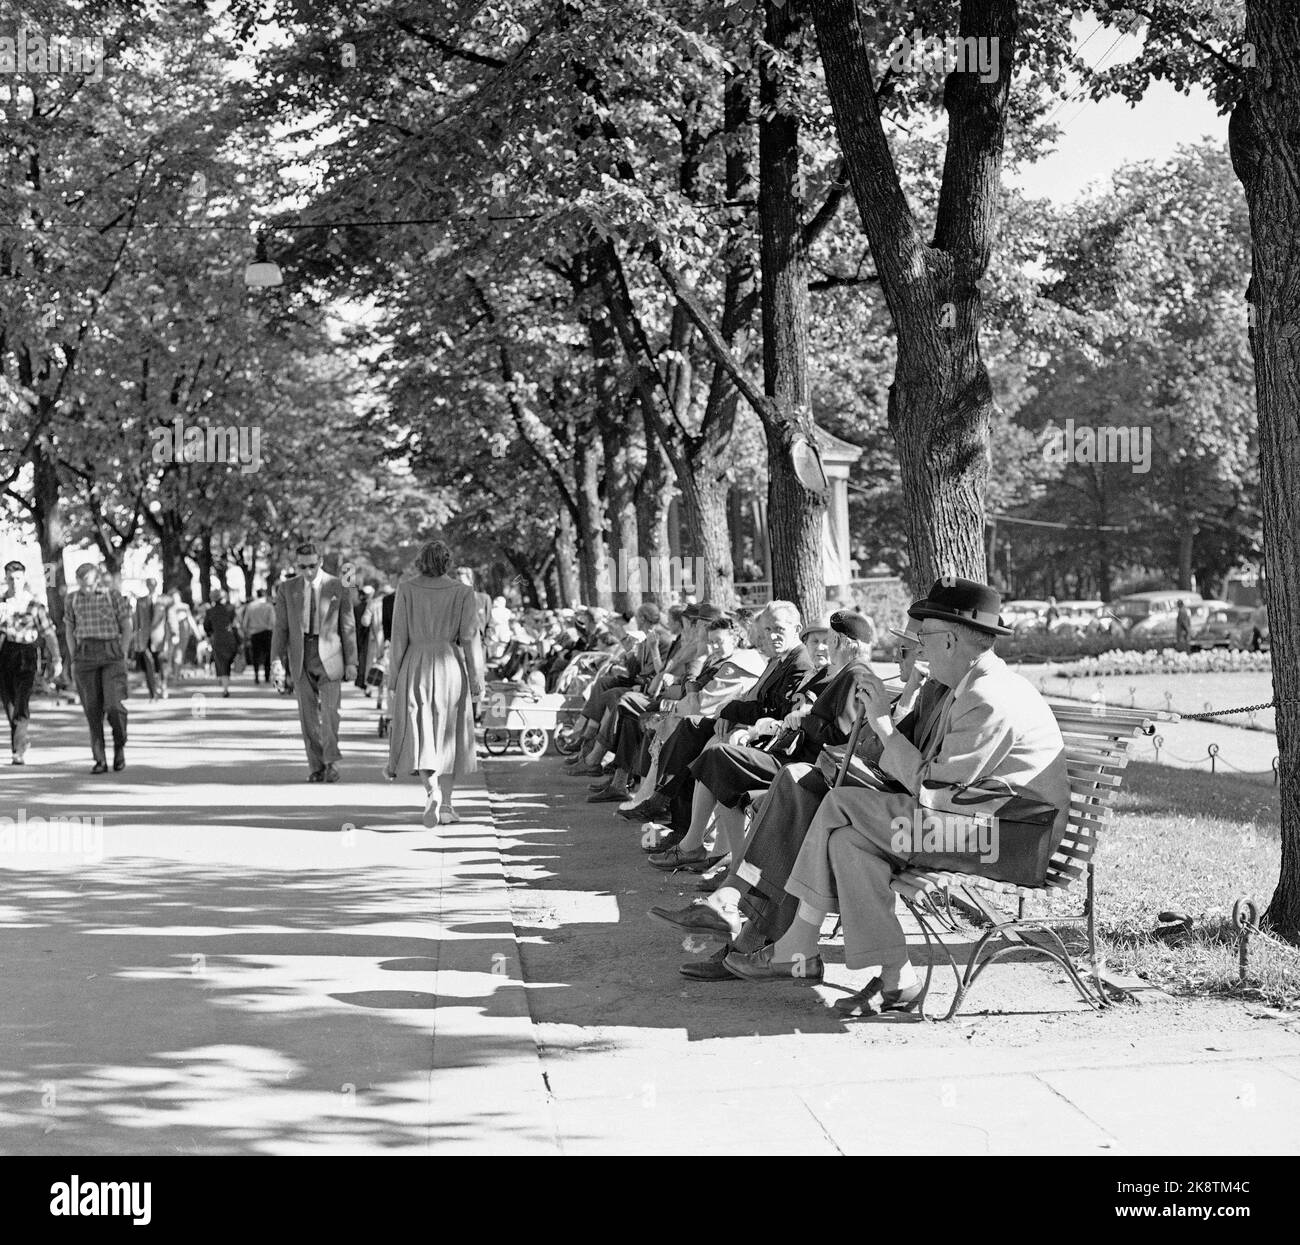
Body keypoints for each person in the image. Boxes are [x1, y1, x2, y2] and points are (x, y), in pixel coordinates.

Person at [722, 577, 1070, 1011]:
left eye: (924, 638)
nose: (919, 648)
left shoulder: (987, 696)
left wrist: (884, 722)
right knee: (846, 840)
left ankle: (797, 944)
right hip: (981, 825)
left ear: (950, 641)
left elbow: (932, 789)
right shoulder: (966, 685)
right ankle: (896, 977)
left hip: (1007, 841)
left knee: (839, 804)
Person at [383, 539, 485, 827]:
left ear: (420, 561)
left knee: (421, 732)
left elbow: (399, 635)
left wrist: (394, 677)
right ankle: (449, 807)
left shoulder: (407, 589)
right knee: (448, 735)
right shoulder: (463, 592)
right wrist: (476, 677)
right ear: (447, 562)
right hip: (450, 666)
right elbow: (469, 637)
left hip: (416, 664)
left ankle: (432, 791)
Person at [272, 543, 357, 783]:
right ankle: (316, 766)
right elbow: (281, 628)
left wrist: (352, 662)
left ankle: (331, 762)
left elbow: (348, 625)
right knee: (307, 716)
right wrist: (277, 661)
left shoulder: (338, 585)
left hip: (330, 654)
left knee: (331, 713)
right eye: (302, 566)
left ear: (320, 561)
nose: (308, 571)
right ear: (296, 565)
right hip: (301, 655)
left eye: (312, 565)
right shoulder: (287, 589)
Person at [64, 561, 132, 773]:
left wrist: (123, 651)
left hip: (111, 653)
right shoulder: (72, 599)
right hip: (85, 655)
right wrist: (74, 654)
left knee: (113, 705)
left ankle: (119, 745)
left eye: (89, 582)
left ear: (97, 579)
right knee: (92, 710)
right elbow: (69, 628)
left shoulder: (112, 596)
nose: (85, 586)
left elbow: (127, 625)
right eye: (81, 582)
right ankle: (100, 759)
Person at [0, 560, 62, 764]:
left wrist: (56, 658)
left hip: (26, 654)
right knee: (8, 702)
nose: (14, 582)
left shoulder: (34, 605)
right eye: (10, 578)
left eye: (18, 578)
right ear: (5, 579)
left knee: (21, 700)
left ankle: (17, 750)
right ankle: (21, 739)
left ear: (23, 578)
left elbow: (49, 633)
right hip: (5, 652)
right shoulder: (1, 603)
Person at [131, 578, 169, 700]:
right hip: (144, 638)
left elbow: (168, 619)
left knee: (160, 663)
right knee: (148, 664)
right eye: (149, 585)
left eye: (153, 584)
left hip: (159, 637)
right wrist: (136, 639)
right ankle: (152, 692)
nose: (151, 587)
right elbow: (136, 622)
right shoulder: (140, 601)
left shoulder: (163, 600)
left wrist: (171, 636)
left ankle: (163, 684)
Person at [204, 588, 242, 698]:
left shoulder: (210, 611)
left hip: (217, 639)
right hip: (230, 638)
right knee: (228, 661)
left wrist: (210, 633)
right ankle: (225, 681)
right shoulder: (230, 609)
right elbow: (235, 623)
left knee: (221, 662)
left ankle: (225, 686)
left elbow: (206, 626)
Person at [242, 588, 275, 684]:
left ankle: (256, 675)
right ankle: (267, 676)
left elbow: (245, 623)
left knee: (255, 655)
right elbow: (273, 621)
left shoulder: (250, 606)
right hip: (266, 632)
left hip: (254, 633)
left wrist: (247, 633)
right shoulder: (269, 606)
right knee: (267, 654)